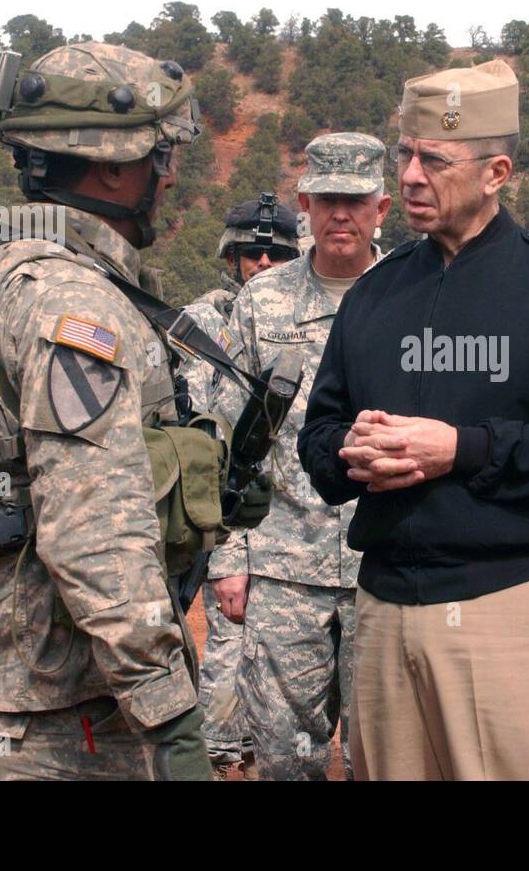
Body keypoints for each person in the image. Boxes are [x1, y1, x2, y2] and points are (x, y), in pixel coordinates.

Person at [297, 59, 529, 780]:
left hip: (505, 607)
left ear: (495, 171)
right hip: (384, 610)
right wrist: (350, 452)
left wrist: (464, 448)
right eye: (405, 156)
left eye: (435, 160)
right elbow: (318, 437)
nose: (410, 176)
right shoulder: (373, 293)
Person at [0, 42, 217, 780]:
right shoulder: (72, 302)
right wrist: (171, 717)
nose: (169, 178)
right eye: (162, 157)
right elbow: (91, 532)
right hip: (74, 715)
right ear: (113, 166)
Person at [213, 132, 389, 780]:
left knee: (386, 755)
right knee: (286, 757)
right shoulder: (261, 302)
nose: (340, 214)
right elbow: (227, 440)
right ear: (304, 203)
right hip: (285, 565)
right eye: (326, 199)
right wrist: (230, 557)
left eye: (355, 199)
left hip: (389, 567)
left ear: (382, 206)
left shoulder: (412, 296)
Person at [180, 196, 299, 773]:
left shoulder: (311, 314)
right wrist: (226, 545)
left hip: (302, 520)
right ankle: (223, 756)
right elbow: (206, 432)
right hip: (230, 509)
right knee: (232, 638)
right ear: (232, 259)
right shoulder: (207, 322)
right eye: (251, 254)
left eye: (276, 255)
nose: (262, 264)